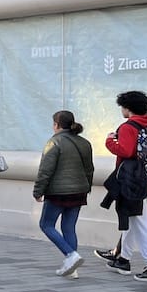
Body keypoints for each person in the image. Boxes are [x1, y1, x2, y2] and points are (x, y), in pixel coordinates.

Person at [104, 91, 147, 282]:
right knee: (133, 217)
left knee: (140, 220)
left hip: (134, 180)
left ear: (127, 108)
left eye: (122, 106)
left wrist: (110, 142)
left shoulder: (128, 127)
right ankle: (123, 260)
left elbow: (126, 151)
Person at [33, 110, 95, 279]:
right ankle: (72, 269)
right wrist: (86, 186)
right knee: (69, 227)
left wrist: (38, 191)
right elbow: (89, 169)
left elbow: (45, 170)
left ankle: (70, 255)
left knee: (46, 224)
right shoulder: (84, 142)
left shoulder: (54, 142)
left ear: (57, 125)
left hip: (58, 192)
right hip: (79, 191)